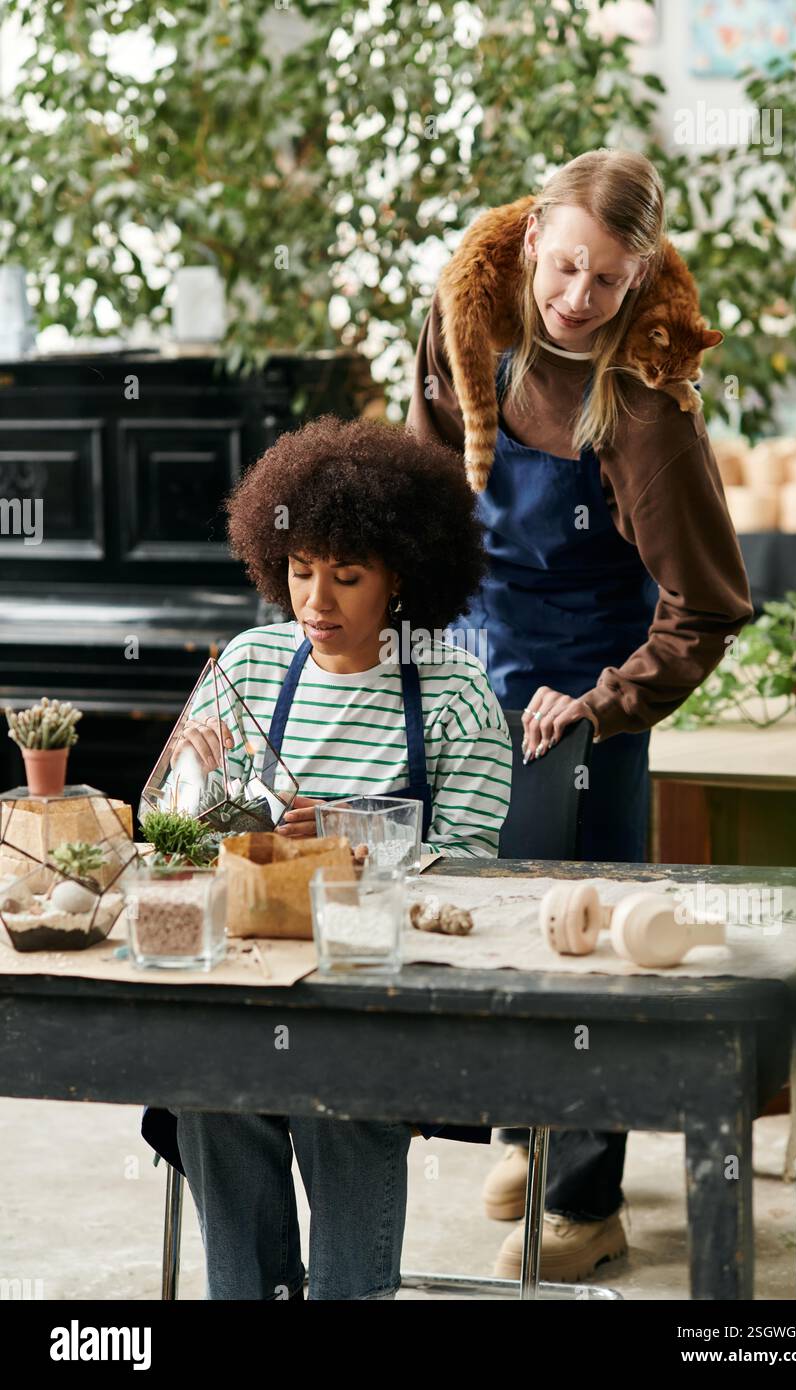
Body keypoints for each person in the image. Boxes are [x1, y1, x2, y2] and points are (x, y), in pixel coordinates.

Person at [406, 148, 753, 1282]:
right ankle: (524, 1125)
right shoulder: (464, 322)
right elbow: (421, 500)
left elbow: (704, 605)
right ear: (528, 238)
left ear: (638, 277)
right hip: (477, 669)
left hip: (586, 686)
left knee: (588, 934)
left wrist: (605, 704)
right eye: (562, 268)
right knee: (484, 920)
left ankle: (587, 1196)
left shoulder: (644, 408)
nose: (574, 299)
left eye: (605, 282)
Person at [140, 415, 513, 1299]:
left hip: (379, 986)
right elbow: (170, 823)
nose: (316, 602)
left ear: (403, 577)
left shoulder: (454, 690)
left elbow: (471, 872)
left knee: (343, 1098)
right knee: (210, 1091)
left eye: (346, 577)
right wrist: (211, 803)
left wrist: (345, 843)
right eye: (300, 573)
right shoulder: (251, 665)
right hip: (248, 972)